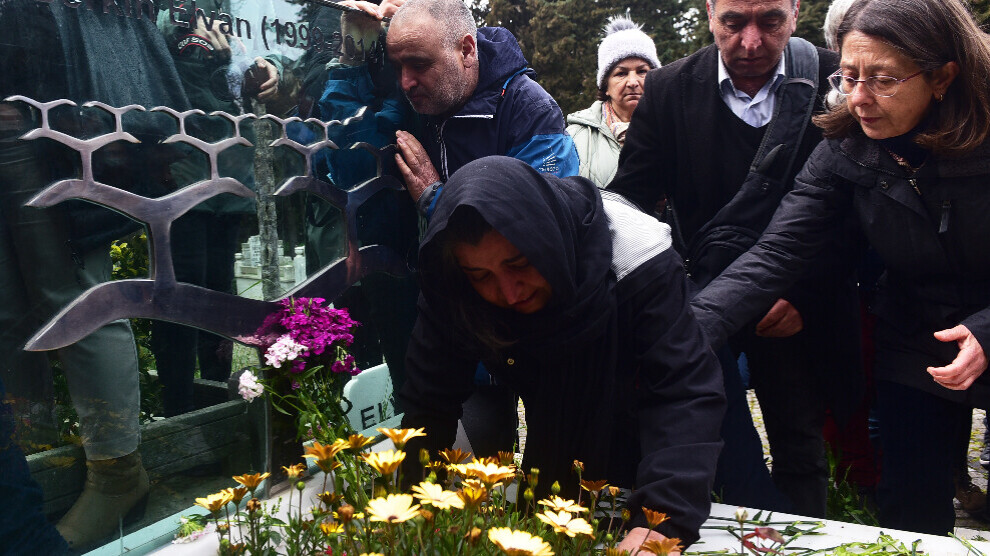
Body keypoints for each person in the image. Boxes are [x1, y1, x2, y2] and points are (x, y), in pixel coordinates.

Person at [690, 0, 990, 534]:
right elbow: (777, 251)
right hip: (916, 330)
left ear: (944, 77)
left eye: (883, 80)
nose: (858, 99)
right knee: (910, 506)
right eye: (848, 76)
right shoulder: (846, 145)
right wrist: (684, 332)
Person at [608, 0, 859, 517]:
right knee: (711, 442)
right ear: (708, 13)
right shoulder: (669, 89)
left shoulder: (840, 79)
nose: (750, 42)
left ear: (794, 12)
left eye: (769, 22)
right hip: (707, 303)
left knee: (799, 443)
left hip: (795, 309)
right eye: (733, 23)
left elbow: (860, 209)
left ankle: (803, 537)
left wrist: (803, 295)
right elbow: (632, 200)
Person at [399, 155, 725, 551]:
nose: (509, 292)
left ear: (547, 239)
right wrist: (408, 509)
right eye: (481, 276)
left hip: (636, 407)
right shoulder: (450, 280)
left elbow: (681, 391)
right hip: (552, 411)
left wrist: (663, 519)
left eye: (519, 263)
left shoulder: (638, 259)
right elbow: (428, 401)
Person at [385, 0, 580, 219]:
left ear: (467, 51)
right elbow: (351, 164)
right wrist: (351, 55)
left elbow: (536, 225)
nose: (405, 83)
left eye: (419, 65)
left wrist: (435, 198)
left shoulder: (531, 113)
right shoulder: (423, 99)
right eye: (396, 67)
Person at [566, 15, 660, 188]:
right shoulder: (575, 137)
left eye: (642, 71)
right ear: (605, 85)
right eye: (621, 73)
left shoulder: (677, 127)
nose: (632, 82)